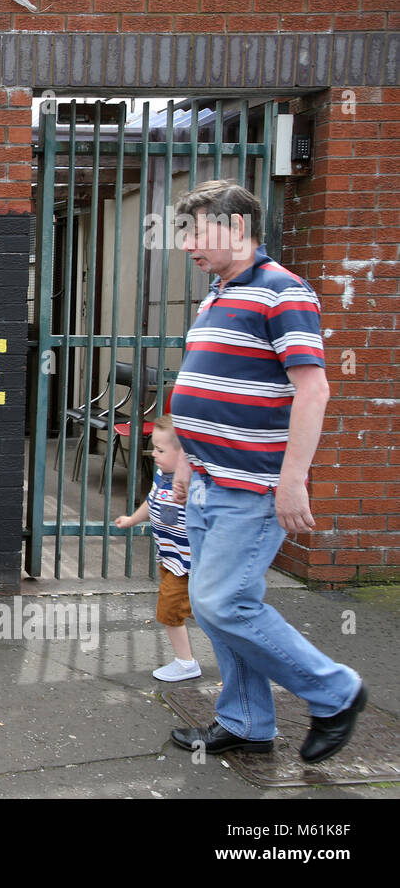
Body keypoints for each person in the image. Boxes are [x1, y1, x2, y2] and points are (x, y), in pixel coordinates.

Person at [165, 180, 366, 763]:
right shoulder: (217, 295)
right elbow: (208, 385)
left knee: (225, 603)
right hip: (207, 481)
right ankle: (248, 722)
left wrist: (293, 479)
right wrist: (186, 462)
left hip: (252, 487)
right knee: (213, 606)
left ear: (235, 228)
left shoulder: (284, 292)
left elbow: (313, 389)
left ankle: (336, 692)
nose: (188, 246)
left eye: (198, 232)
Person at [115, 416, 199, 682]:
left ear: (184, 453)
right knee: (197, 611)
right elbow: (152, 504)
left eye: (161, 450)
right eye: (155, 448)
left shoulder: (194, 484)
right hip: (169, 558)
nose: (154, 454)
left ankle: (186, 663)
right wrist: (132, 520)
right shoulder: (163, 476)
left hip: (188, 564)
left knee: (169, 612)